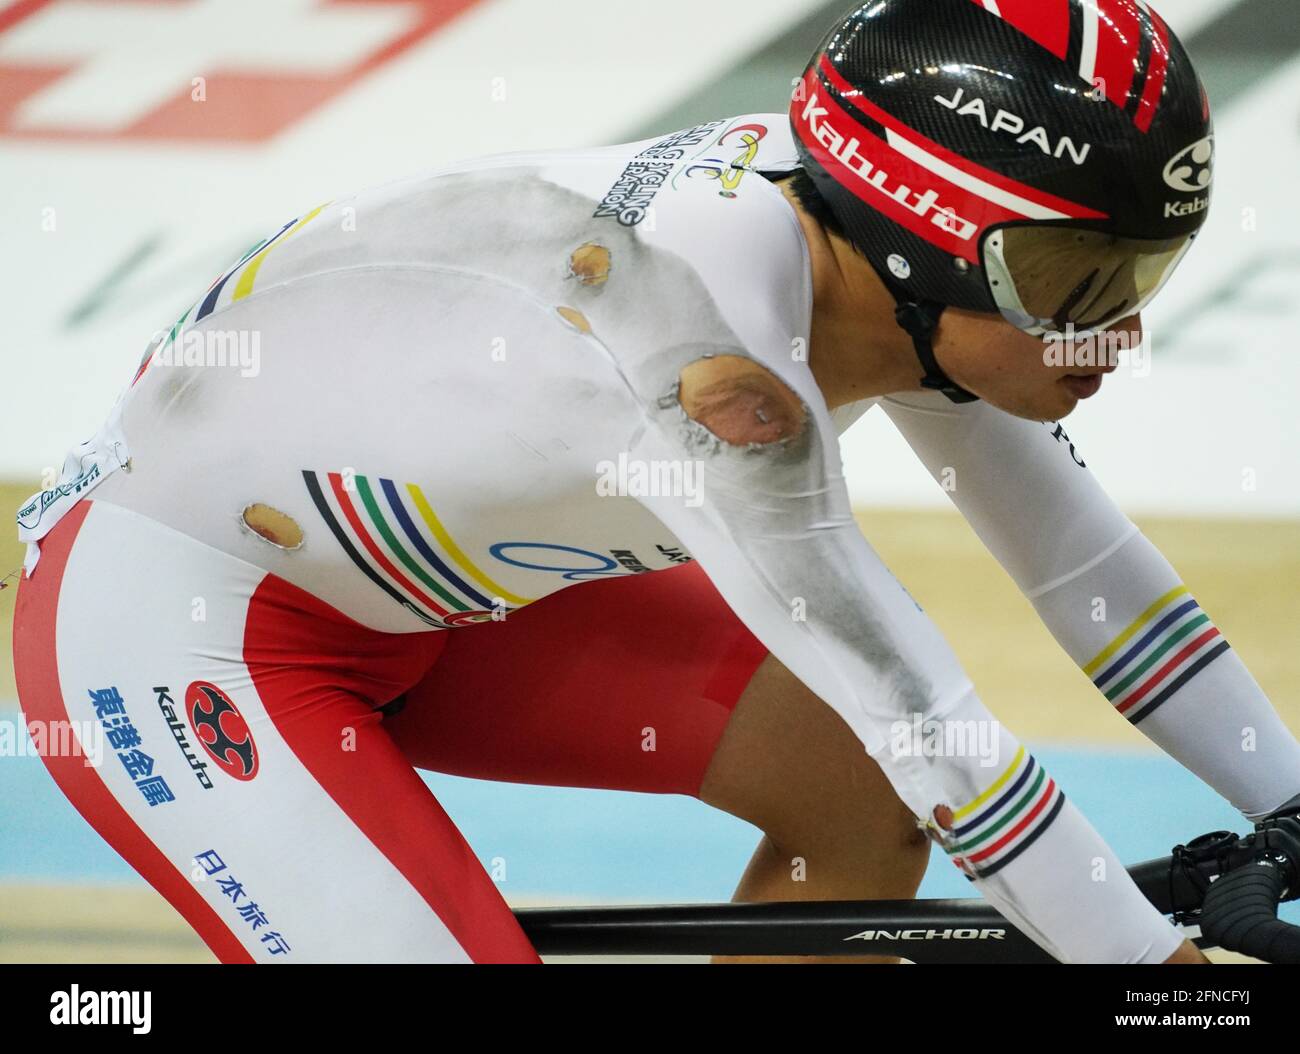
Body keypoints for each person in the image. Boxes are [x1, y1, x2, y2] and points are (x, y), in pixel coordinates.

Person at [12, 0, 1300, 964]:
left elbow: (1087, 576)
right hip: (186, 620)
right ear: (925, 247)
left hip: (442, 590)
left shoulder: (879, 263)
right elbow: (938, 739)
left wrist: (1288, 804)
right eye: (1081, 287)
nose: (1117, 334)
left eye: (1143, 276)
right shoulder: (712, 359)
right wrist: (1162, 981)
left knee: (843, 795)